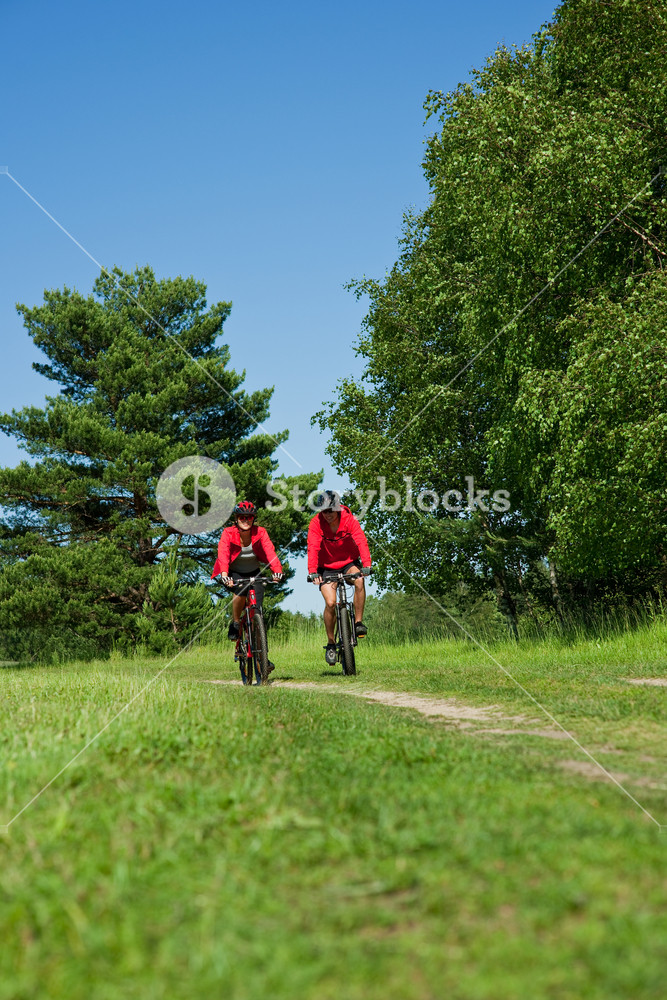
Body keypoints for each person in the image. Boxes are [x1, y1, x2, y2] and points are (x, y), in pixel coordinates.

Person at [307, 490, 372, 665]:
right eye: (324, 511)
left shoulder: (349, 519)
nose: (327, 514)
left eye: (330, 510)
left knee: (359, 580)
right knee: (330, 603)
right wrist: (313, 571)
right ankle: (330, 643)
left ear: (337, 508)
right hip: (326, 568)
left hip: (348, 563)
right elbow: (313, 547)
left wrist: (366, 565)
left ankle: (358, 622)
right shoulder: (316, 523)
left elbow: (361, 541)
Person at [211, 501, 283, 645]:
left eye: (249, 517)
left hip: (254, 572)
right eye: (242, 517)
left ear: (253, 518)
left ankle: (262, 658)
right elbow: (223, 553)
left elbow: (270, 552)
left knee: (257, 612)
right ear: (236, 519)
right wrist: (225, 575)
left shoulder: (260, 532)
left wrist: (277, 571)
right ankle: (236, 622)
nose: (245, 520)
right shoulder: (228, 533)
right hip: (234, 572)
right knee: (241, 590)